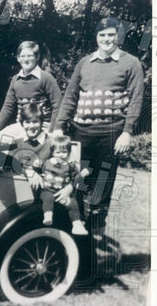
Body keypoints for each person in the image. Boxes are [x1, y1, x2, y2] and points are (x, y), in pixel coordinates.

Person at [52, 17, 145, 236]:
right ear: (96, 37)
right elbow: (70, 96)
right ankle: (75, 224)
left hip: (110, 132)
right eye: (102, 35)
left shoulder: (131, 63)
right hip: (81, 131)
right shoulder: (85, 62)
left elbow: (136, 99)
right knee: (76, 177)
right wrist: (59, 126)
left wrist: (127, 132)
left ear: (118, 36)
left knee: (102, 182)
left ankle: (97, 231)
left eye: (111, 35)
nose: (106, 39)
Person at [0, 41, 62, 142]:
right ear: (18, 58)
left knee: (39, 147)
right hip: (21, 125)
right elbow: (8, 106)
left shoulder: (46, 78)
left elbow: (57, 105)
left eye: (29, 55)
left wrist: (53, 130)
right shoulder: (16, 80)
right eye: (22, 56)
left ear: (37, 57)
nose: (26, 59)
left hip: (43, 125)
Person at [38, 136, 89, 235]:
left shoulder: (70, 165)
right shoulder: (46, 162)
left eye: (64, 152)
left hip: (64, 192)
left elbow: (75, 177)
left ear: (69, 152)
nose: (61, 155)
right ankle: (48, 215)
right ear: (52, 152)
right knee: (48, 198)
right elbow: (37, 169)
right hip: (48, 190)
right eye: (58, 152)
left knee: (73, 204)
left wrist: (82, 174)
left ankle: (77, 225)